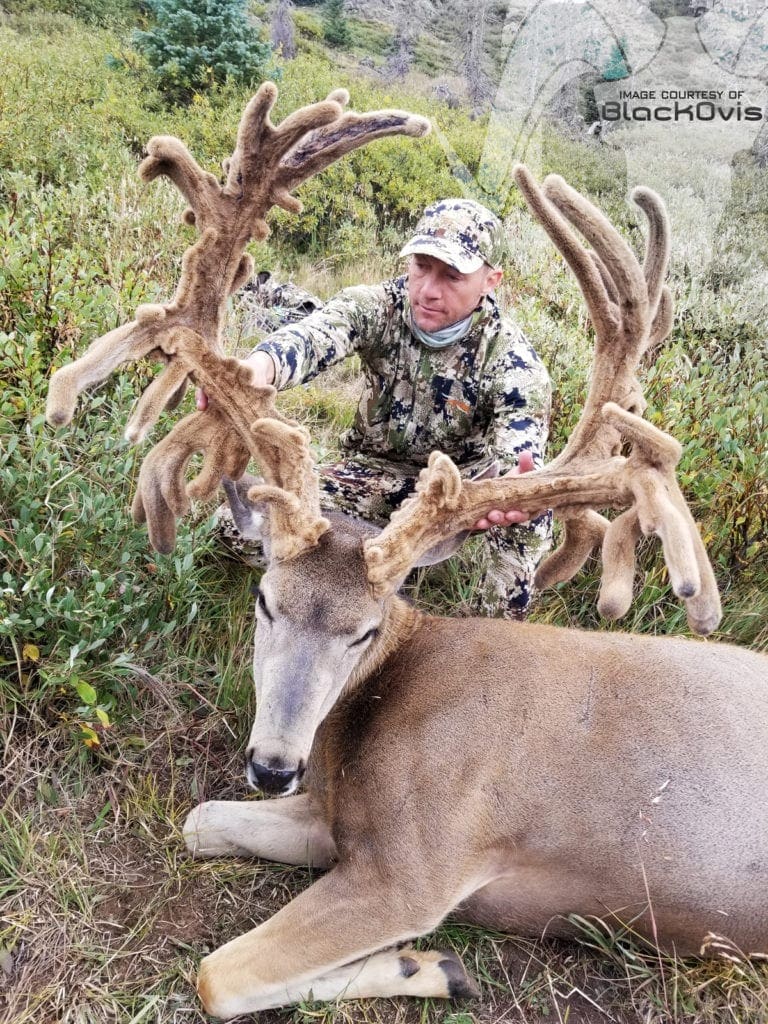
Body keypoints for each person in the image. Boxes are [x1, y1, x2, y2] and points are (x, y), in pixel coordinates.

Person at [200, 199, 553, 619]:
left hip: (456, 500)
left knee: (528, 517)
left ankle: (487, 637)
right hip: (370, 476)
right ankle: (354, 587)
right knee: (233, 528)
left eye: (452, 276)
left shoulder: (512, 360)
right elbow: (315, 336)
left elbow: (521, 449)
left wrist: (515, 487)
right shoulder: (379, 307)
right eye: (421, 266)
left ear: (490, 280)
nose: (427, 290)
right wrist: (255, 370)